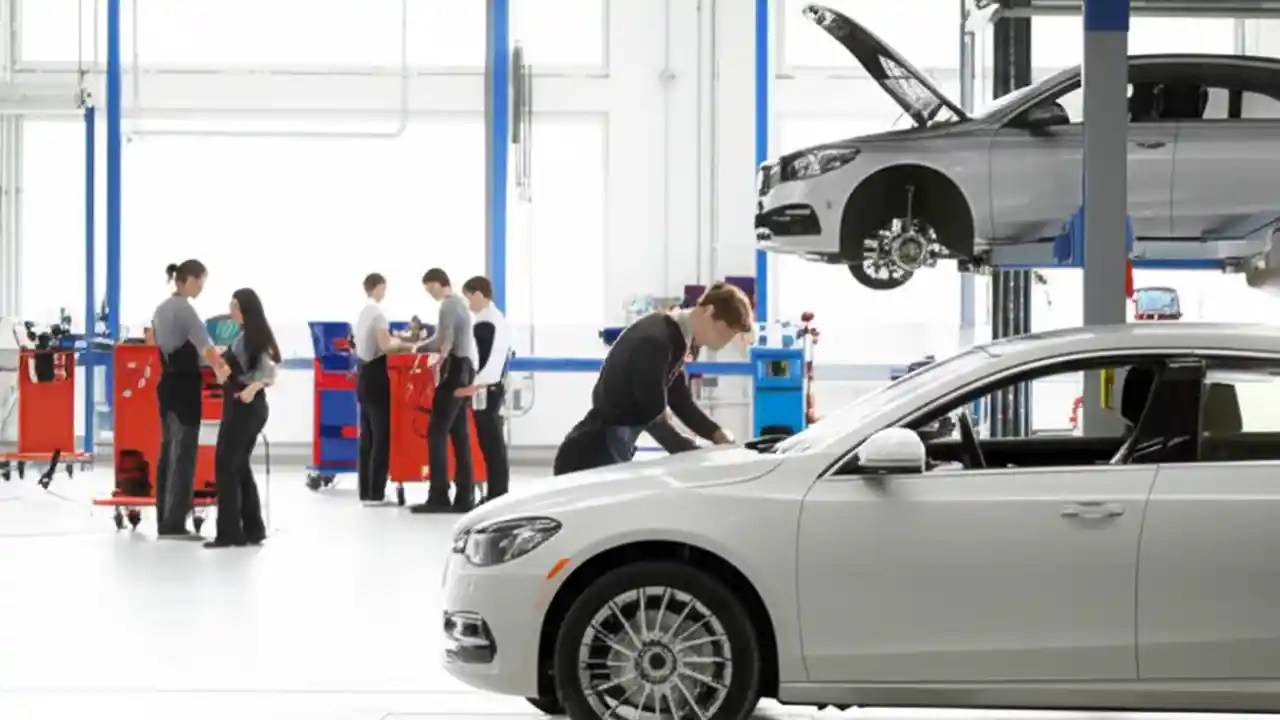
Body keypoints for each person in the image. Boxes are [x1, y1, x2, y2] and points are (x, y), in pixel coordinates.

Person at [552, 282, 754, 476]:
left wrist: (716, 433)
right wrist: (698, 456)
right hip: (592, 454)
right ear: (708, 312)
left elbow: (678, 398)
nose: (724, 341)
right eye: (725, 332)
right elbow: (654, 415)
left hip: (611, 441)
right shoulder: (657, 341)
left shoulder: (675, 337)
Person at [152, 260, 231, 539]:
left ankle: (164, 517)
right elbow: (207, 348)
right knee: (183, 453)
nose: (202, 287)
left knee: (168, 451)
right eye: (201, 281)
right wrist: (223, 368)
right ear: (188, 279)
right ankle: (174, 524)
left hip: (167, 386)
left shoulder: (160, 310)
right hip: (184, 387)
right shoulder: (185, 310)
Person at [206, 288, 280, 549]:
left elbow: (269, 372)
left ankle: (229, 533)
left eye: (235, 305)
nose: (230, 310)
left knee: (226, 465)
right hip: (238, 408)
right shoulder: (242, 337)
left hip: (246, 410)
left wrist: (253, 388)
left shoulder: (254, 338)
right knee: (238, 466)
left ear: (246, 308)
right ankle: (252, 528)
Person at [409, 268, 477, 514]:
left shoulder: (447, 306)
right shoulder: (461, 305)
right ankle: (464, 496)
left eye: (430, 288)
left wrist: (416, 347)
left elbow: (443, 342)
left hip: (454, 372)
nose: (429, 294)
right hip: (466, 370)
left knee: (436, 432)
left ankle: (438, 495)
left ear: (438, 283)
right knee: (459, 435)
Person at [454, 276, 512, 502]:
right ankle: (497, 491)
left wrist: (470, 384)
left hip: (485, 389)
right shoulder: (497, 319)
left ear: (478, 294)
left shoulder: (485, 322)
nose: (469, 304)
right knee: (493, 443)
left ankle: (497, 494)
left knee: (491, 444)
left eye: (469, 298)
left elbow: (483, 359)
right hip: (492, 387)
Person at [354, 273, 408, 507]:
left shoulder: (364, 312)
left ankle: (366, 491)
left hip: (363, 375)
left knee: (367, 436)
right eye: (384, 288)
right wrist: (405, 343)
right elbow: (386, 345)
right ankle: (377, 492)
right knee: (381, 435)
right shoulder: (378, 313)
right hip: (376, 377)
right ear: (377, 287)